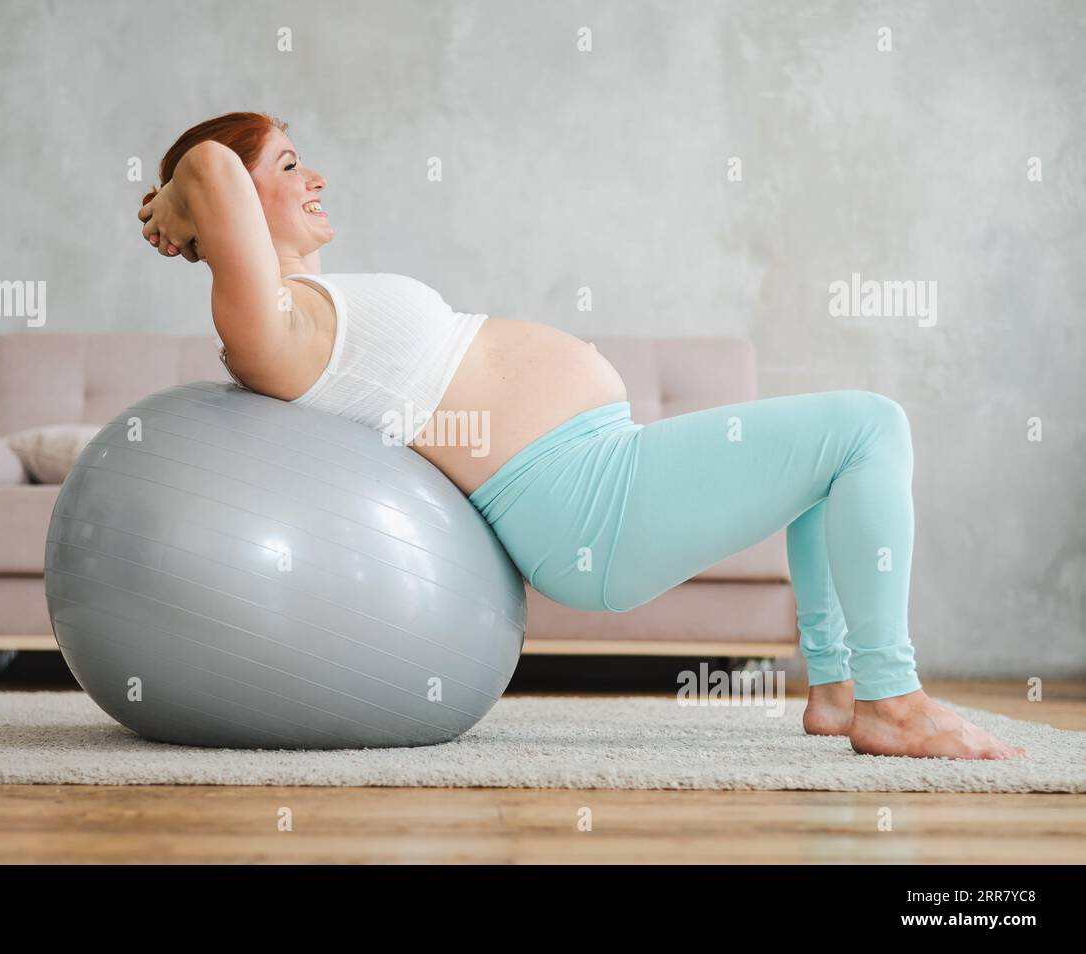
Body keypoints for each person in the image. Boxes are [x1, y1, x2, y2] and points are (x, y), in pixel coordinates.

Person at [137, 112, 1025, 761]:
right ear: (233, 212)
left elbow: (231, 182)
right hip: (582, 503)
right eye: (290, 164)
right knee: (872, 425)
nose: (318, 176)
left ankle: (838, 692)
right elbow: (213, 162)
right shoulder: (273, 329)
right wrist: (183, 203)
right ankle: (891, 697)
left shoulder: (312, 301)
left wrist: (221, 208)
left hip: (599, 470)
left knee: (828, 462)